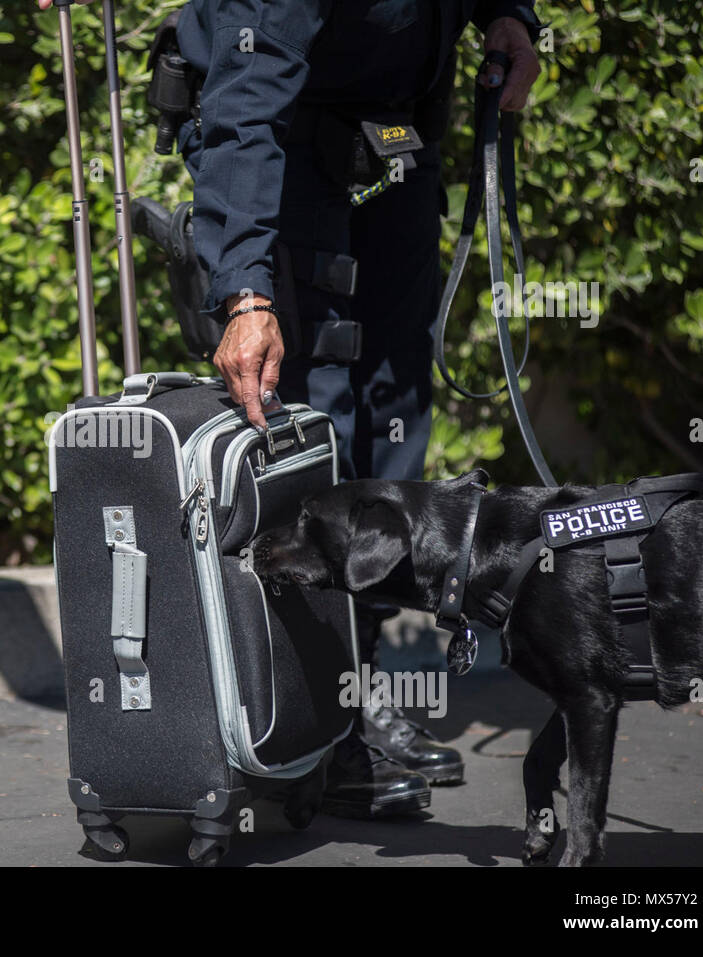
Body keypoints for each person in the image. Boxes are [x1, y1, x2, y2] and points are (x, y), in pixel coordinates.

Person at [174, 0, 541, 817]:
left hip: (396, 143)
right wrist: (244, 290)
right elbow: (245, 102)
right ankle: (309, 719)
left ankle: (354, 689)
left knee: (391, 410)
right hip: (287, 144)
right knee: (316, 423)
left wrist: (507, 16)